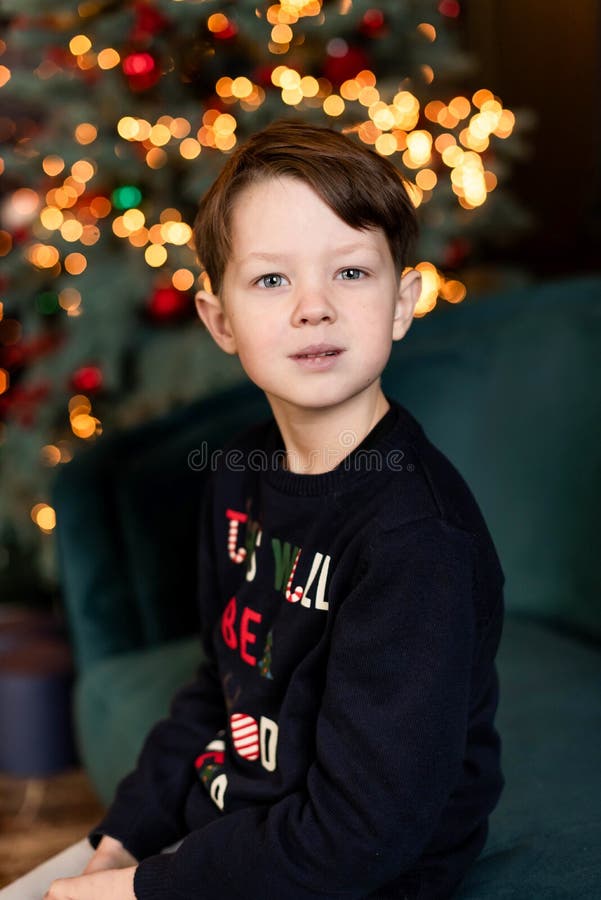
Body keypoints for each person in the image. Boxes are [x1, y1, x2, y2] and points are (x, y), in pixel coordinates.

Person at [45, 120, 505, 900]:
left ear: (404, 301)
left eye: (351, 273)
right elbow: (220, 683)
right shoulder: (236, 475)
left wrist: (136, 891)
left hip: (357, 878)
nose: (313, 308)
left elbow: (359, 838)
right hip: (239, 831)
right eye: (270, 280)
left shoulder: (414, 539)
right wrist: (123, 837)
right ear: (219, 320)